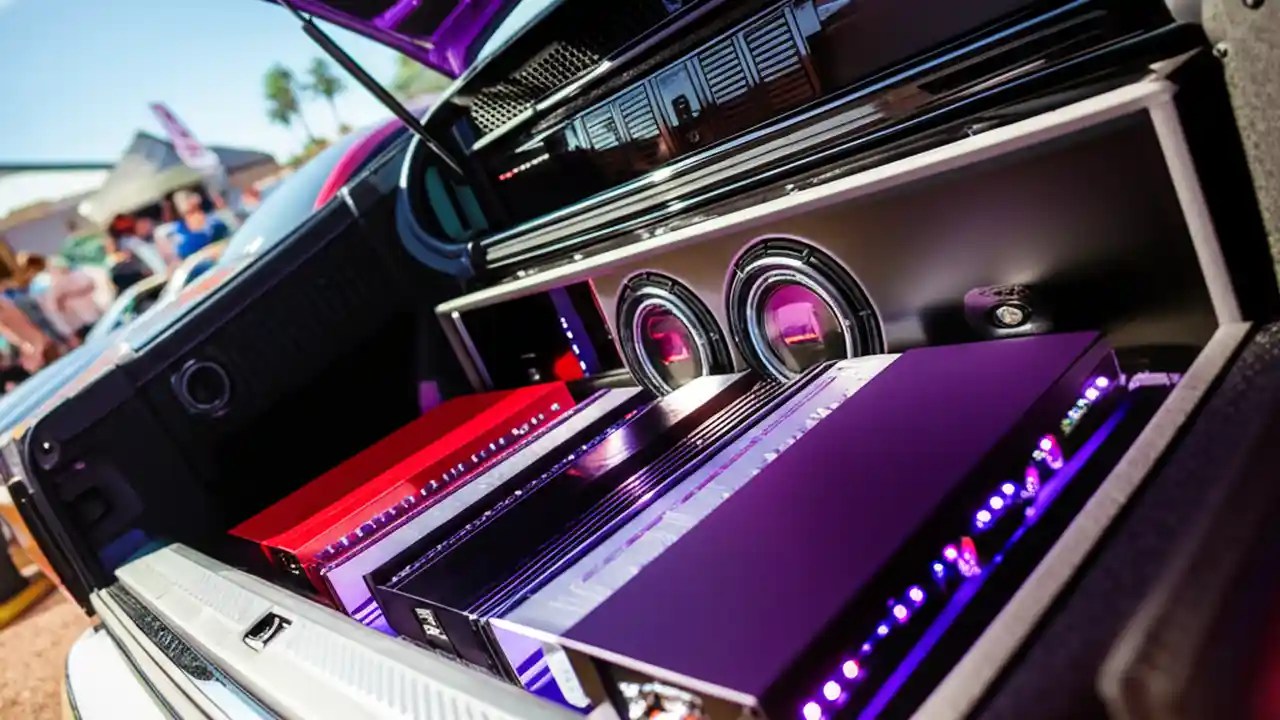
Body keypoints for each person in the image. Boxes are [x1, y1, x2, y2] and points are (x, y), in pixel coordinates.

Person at [39, 257, 105, 341]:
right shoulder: (52, 290)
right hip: (79, 326)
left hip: (96, 317)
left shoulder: (79, 277)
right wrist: (68, 333)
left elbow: (90, 285)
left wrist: (70, 293)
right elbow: (55, 312)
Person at [171, 190, 229, 261]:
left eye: (186, 198)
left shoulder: (214, 220)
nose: (183, 204)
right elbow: (181, 255)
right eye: (178, 202)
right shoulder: (178, 231)